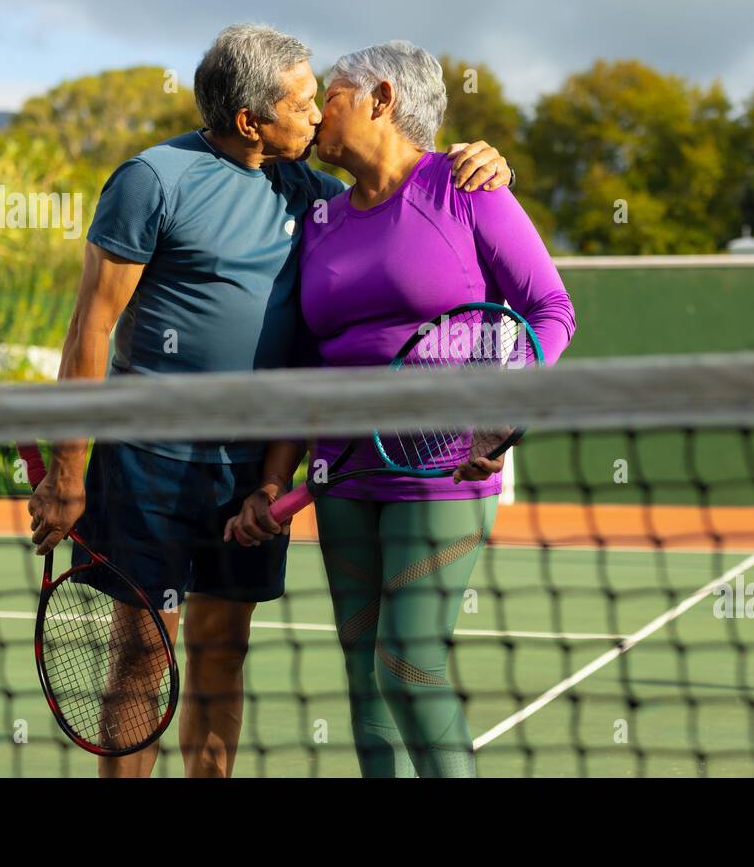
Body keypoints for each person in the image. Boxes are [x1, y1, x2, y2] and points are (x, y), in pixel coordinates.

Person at [26, 24, 512, 778]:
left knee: (223, 653)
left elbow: (399, 181)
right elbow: (92, 325)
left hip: (250, 469)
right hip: (149, 459)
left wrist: (478, 161)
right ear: (250, 121)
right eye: (303, 102)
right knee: (139, 661)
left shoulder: (314, 193)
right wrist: (68, 471)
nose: (319, 115)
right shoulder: (153, 179)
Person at [225, 40, 574, 777]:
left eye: (336, 95)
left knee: (408, 669)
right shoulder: (320, 214)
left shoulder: (467, 185)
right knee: (364, 683)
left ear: (382, 99)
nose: (319, 110)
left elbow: (549, 309)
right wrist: (269, 480)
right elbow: (308, 365)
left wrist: (502, 410)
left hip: (442, 470)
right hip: (341, 477)